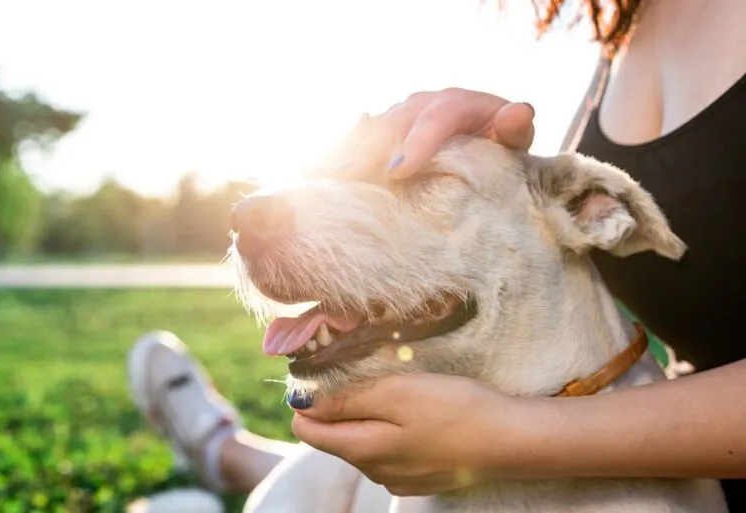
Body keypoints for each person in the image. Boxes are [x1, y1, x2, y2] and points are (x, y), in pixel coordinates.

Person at [127, 0, 746, 510]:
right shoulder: (625, 27)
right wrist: (487, 137)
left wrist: (510, 437)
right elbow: (523, 218)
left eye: (430, 182)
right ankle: (234, 455)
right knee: (328, 475)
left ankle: (226, 453)